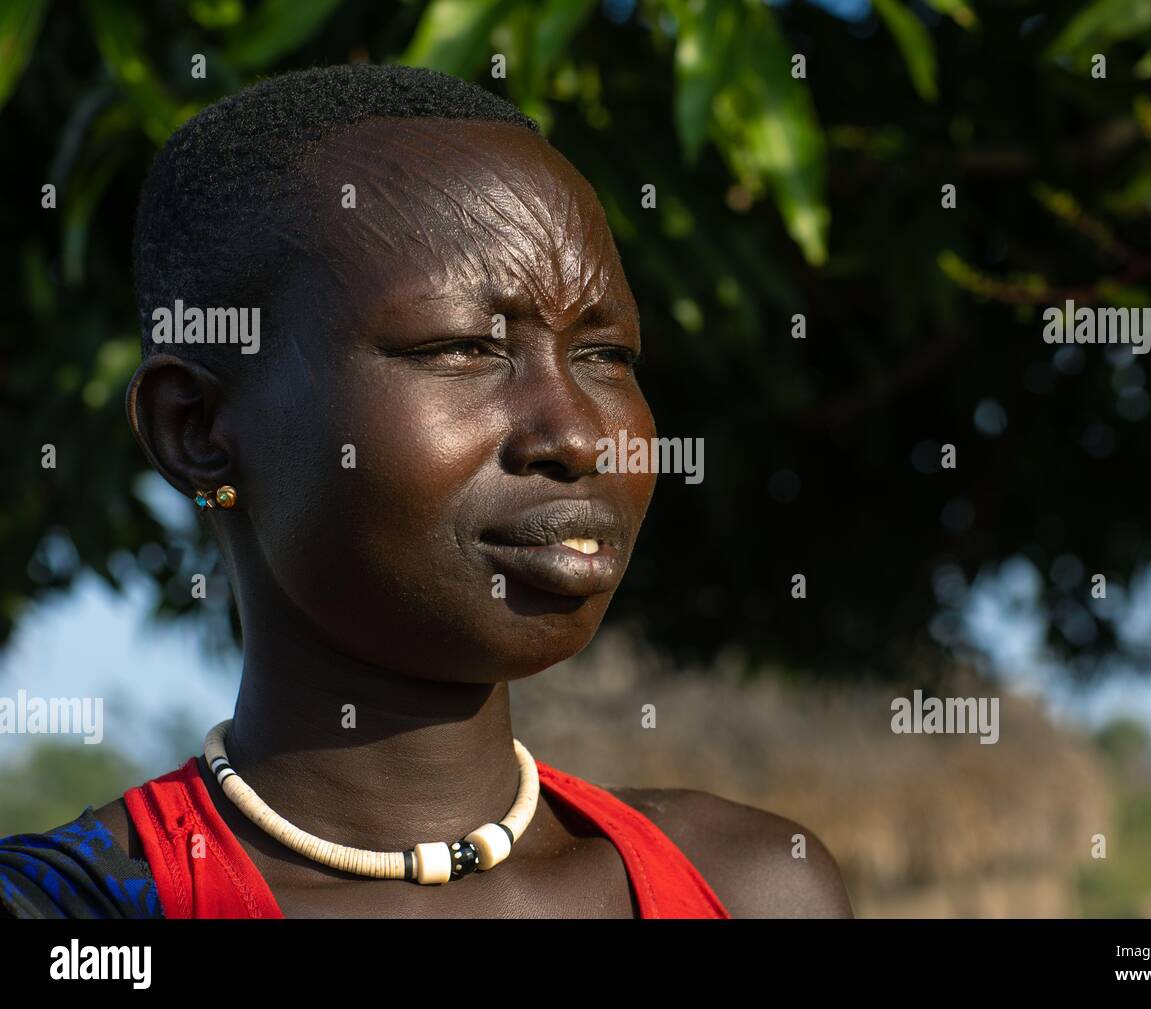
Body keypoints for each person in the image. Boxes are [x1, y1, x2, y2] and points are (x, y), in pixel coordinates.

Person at [0, 63, 853, 919]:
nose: (579, 435)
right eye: (463, 348)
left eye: (606, 356)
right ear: (197, 429)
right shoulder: (74, 913)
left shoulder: (748, 886)